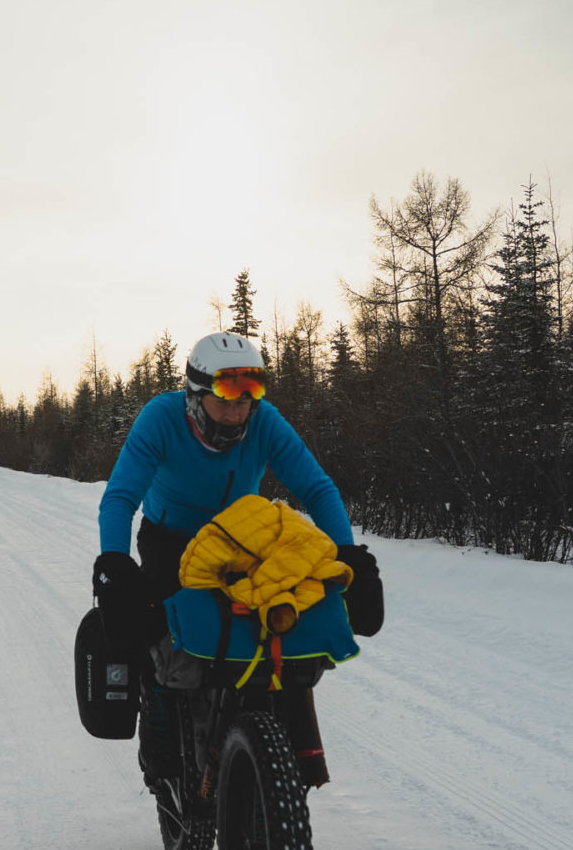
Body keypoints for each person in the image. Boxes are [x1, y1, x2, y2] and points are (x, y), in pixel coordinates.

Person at [92, 331, 377, 788]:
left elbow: (317, 489)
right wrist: (115, 565)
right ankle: (162, 726)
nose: (236, 410)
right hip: (172, 541)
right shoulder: (161, 418)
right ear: (196, 394)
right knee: (162, 632)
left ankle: (291, 753)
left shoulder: (265, 423)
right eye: (225, 397)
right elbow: (121, 496)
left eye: (248, 397)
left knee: (274, 629)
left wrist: (347, 557)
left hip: (243, 543)